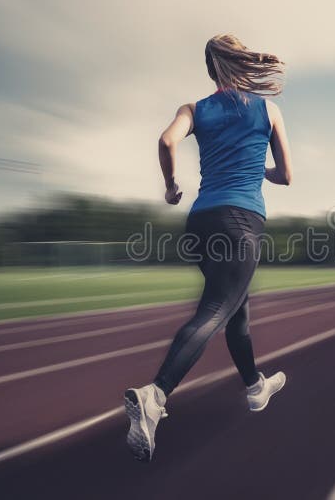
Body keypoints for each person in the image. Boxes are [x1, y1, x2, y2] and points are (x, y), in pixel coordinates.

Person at [124, 33, 294, 462]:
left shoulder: (194, 109)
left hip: (201, 222)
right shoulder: (268, 109)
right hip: (241, 221)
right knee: (218, 308)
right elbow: (287, 175)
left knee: (236, 310)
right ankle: (156, 393)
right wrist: (260, 168)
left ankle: (256, 387)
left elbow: (166, 142)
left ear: (209, 70)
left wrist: (169, 186)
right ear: (242, 63)